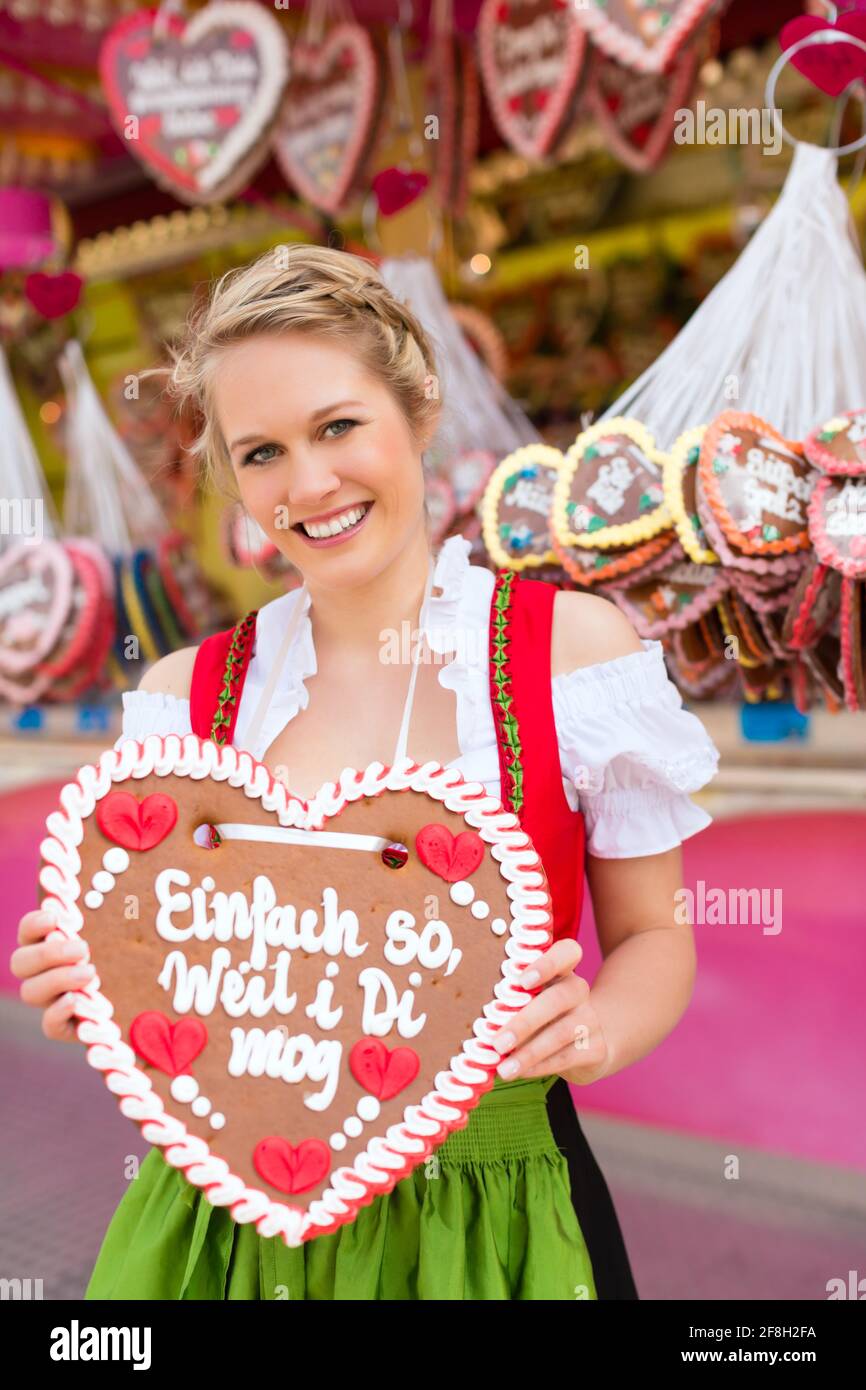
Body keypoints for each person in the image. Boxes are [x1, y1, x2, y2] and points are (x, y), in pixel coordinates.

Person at [12, 244, 719, 1300]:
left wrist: (600, 1025)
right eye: (260, 453)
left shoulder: (571, 656)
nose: (307, 484)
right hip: (231, 1224)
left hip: (491, 1201)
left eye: (337, 426)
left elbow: (653, 932)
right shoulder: (184, 694)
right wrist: (92, 982)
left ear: (418, 411)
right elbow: (170, 970)